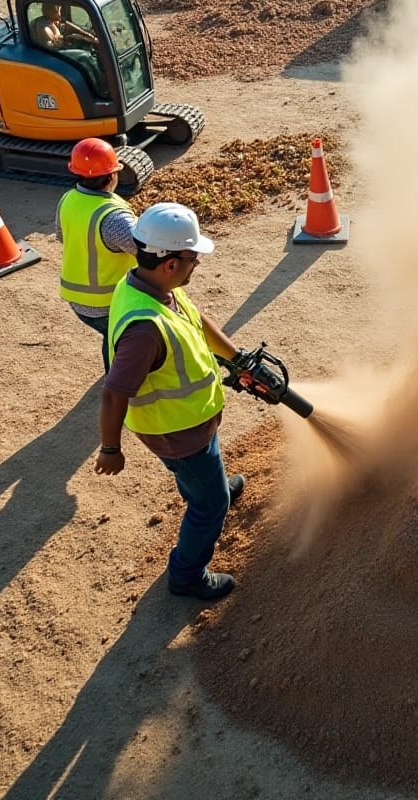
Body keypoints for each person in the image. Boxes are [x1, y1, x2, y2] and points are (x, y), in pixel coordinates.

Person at [96, 202, 246, 601]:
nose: (196, 263)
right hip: (177, 431)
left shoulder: (152, 287)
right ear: (169, 263)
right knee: (209, 505)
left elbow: (198, 321)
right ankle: (186, 575)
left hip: (193, 425)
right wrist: (111, 449)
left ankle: (210, 488)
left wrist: (238, 359)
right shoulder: (144, 329)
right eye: (193, 258)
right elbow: (114, 393)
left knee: (204, 476)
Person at [56, 138, 136, 364]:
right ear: (112, 176)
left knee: (113, 337)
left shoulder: (68, 199)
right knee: (121, 342)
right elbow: (144, 251)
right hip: (106, 303)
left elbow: (63, 236)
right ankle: (118, 388)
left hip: (76, 298)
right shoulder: (113, 216)